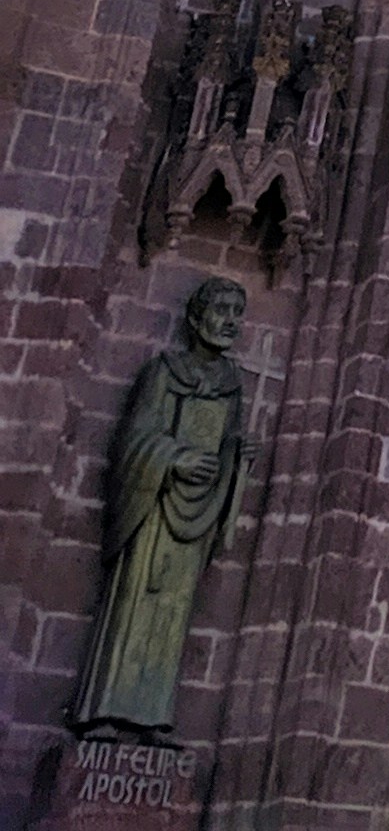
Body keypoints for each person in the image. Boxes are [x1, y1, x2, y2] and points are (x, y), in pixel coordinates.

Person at [71, 279, 250, 738]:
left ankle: (152, 716)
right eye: (221, 310)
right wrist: (176, 457)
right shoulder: (164, 371)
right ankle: (105, 712)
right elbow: (134, 439)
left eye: (238, 312)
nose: (231, 321)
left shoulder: (232, 387)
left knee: (173, 613)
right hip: (153, 506)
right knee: (134, 603)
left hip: (195, 517)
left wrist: (236, 459)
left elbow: (226, 448)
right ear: (195, 317)